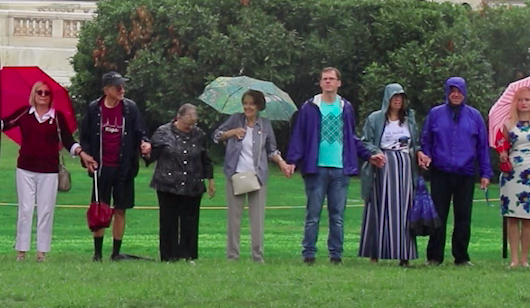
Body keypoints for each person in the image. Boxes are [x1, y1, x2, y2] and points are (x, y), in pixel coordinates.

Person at [286, 67, 382, 264]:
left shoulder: (345, 107)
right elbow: (299, 136)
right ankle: (309, 254)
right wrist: (293, 161)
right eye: (325, 79)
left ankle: (336, 255)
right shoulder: (310, 107)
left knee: (337, 215)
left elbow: (351, 137)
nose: (328, 82)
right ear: (320, 83)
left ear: (339, 83)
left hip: (340, 169)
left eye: (332, 79)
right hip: (316, 168)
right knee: (313, 214)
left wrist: (368, 155)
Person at [1, 81, 88, 262]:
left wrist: (82, 154)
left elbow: (68, 141)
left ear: (51, 97)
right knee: (25, 209)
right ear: (34, 94)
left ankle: (41, 252)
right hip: (25, 168)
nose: (42, 95)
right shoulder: (25, 113)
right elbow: (4, 124)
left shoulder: (57, 118)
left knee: (46, 210)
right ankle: (21, 251)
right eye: (39, 92)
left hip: (49, 170)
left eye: (46, 93)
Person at [76, 72, 151, 261]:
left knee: (120, 209)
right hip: (101, 168)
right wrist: (87, 158)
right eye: (117, 87)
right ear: (106, 89)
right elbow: (84, 137)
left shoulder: (130, 109)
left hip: (124, 167)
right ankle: (97, 253)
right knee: (100, 208)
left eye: (123, 86)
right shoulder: (94, 109)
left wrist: (144, 143)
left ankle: (116, 252)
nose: (122, 90)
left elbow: (141, 132)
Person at [213, 90, 293, 262]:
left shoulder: (265, 125)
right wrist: (231, 132)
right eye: (245, 103)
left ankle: (258, 256)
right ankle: (232, 256)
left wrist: (282, 163)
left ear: (258, 106)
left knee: (257, 219)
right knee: (234, 219)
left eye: (251, 103)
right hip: (235, 175)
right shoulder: (235, 119)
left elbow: (272, 150)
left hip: (258, 176)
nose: (248, 107)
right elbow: (216, 136)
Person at [419, 76, 492, 266]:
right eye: (452, 91)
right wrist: (425, 155)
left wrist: (485, 173)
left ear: (465, 93)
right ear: (447, 93)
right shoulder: (435, 114)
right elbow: (426, 140)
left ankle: (461, 257)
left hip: (466, 172)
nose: (456, 94)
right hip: (440, 171)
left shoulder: (474, 116)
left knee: (463, 216)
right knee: (438, 214)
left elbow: (482, 147)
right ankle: (434, 256)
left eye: (459, 91)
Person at [357, 83, 419, 266]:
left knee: (404, 208)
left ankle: (404, 254)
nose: (398, 100)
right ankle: (375, 254)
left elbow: (415, 143)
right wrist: (375, 152)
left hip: (405, 167)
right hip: (383, 167)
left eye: (401, 96)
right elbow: (365, 141)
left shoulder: (409, 119)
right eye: (395, 96)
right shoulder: (375, 118)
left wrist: (420, 153)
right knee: (380, 207)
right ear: (388, 98)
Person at [150, 104, 215, 262]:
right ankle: (168, 255)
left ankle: (188, 254)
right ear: (178, 118)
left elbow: (205, 158)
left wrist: (210, 180)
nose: (190, 127)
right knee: (168, 221)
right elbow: (152, 155)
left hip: (192, 182)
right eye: (187, 124)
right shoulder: (163, 132)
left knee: (190, 220)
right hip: (168, 182)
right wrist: (146, 151)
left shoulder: (199, 134)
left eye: (193, 124)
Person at [498, 87, 530, 267]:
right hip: (513, 173)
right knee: (512, 216)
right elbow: (503, 146)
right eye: (521, 100)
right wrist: (502, 154)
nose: (524, 103)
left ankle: (525, 259)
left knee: (528, 219)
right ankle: (514, 259)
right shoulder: (508, 124)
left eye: (527, 100)